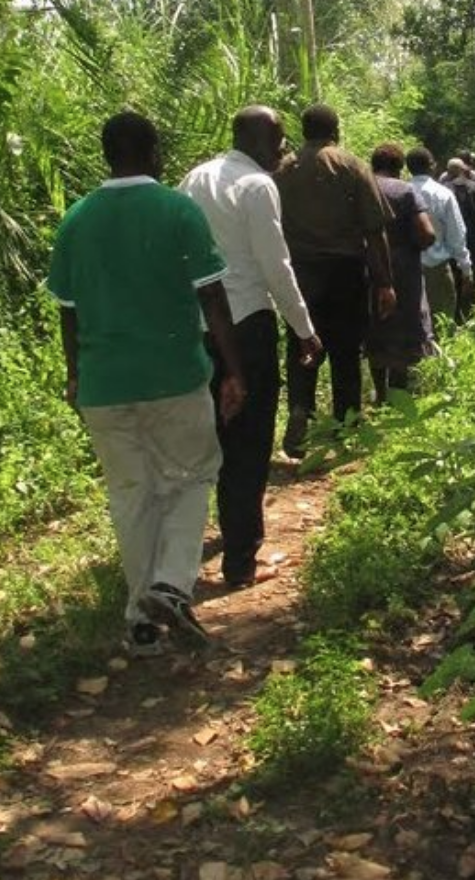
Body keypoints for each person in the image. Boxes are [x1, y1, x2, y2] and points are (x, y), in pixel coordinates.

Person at [48, 111, 245, 656]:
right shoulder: (178, 210)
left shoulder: (76, 220)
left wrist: (74, 372)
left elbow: (68, 310)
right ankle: (172, 585)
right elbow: (212, 296)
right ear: (154, 152)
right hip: (173, 376)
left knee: (131, 494)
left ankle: (141, 620)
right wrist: (234, 369)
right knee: (193, 475)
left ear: (107, 155)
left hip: (104, 385)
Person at [180, 107, 322, 589]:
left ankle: (200, 548)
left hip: (198, 328)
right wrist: (303, 328)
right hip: (246, 327)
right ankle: (241, 561)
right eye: (278, 139)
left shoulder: (195, 178)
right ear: (256, 140)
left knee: (213, 438)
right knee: (250, 441)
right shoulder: (258, 186)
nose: (283, 148)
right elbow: (275, 265)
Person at [273, 103, 395, 458]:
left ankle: (301, 410)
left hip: (299, 272)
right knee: (346, 350)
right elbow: (374, 230)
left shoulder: (283, 170)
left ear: (303, 131)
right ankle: (345, 425)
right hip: (345, 271)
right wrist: (385, 282)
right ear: (335, 130)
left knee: (302, 344)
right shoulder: (352, 166)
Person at [364, 143, 435, 403]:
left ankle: (380, 393)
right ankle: (397, 393)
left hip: (366, 270)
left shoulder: (360, 187)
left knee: (375, 327)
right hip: (403, 272)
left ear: (373, 165)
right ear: (399, 168)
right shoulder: (405, 191)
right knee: (404, 328)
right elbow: (427, 234)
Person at [405, 146, 471, 337]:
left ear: (408, 168)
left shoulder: (401, 193)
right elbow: (457, 234)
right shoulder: (443, 194)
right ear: (432, 166)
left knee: (414, 326)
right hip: (437, 268)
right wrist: (465, 268)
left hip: (407, 269)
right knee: (443, 324)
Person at [443, 156, 475, 318]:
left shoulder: (444, 190)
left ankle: (456, 313)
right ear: (463, 170)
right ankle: (474, 311)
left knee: (455, 276)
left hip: (451, 240)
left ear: (448, 172)